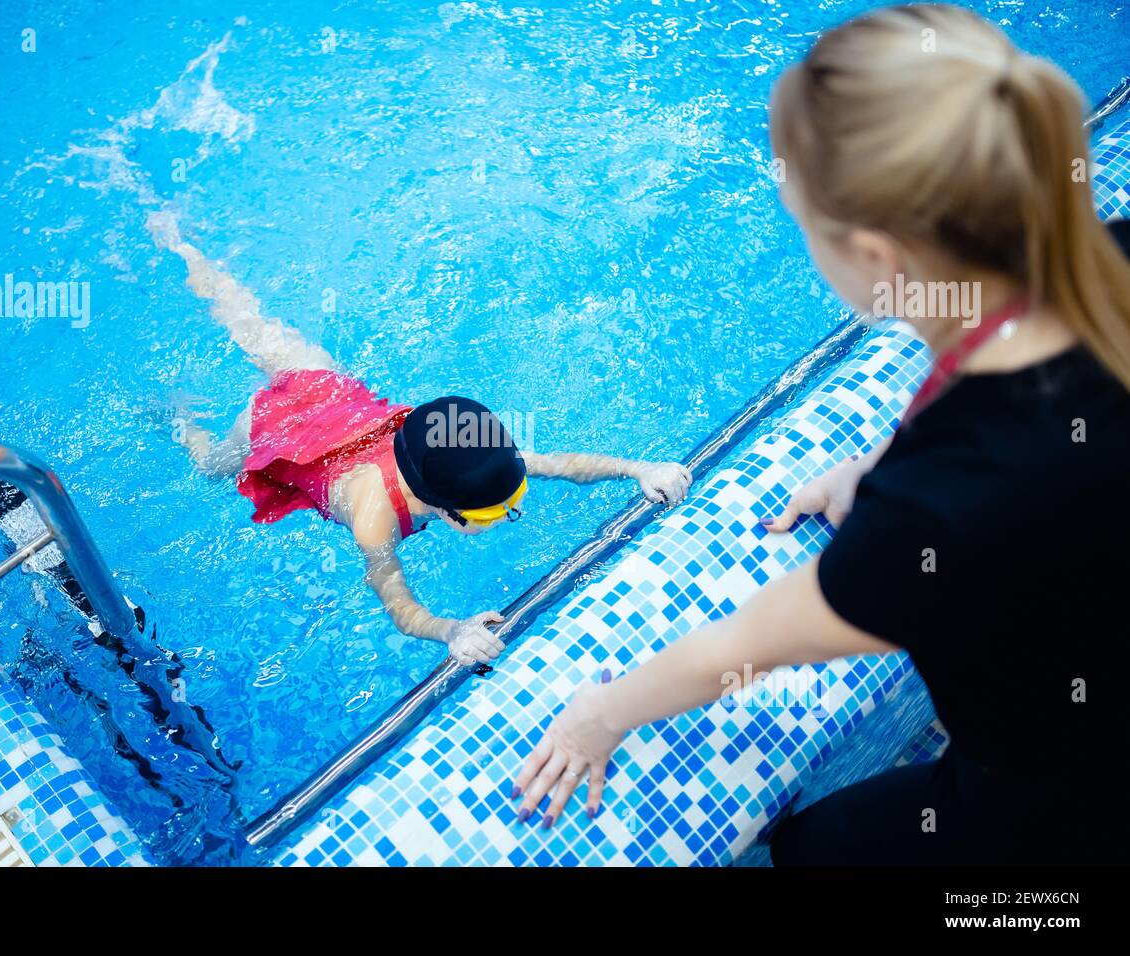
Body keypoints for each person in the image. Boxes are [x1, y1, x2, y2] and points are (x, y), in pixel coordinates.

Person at [512, 4, 1130, 864]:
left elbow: (748, 645)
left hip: (1061, 809)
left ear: (876, 260)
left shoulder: (940, 513)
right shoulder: (1109, 261)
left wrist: (598, 713)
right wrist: (881, 464)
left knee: (818, 852)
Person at [157, 214, 694, 667]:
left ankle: (180, 242)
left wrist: (639, 468)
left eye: (511, 502)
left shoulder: (467, 463)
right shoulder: (374, 518)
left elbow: (563, 463)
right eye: (491, 514)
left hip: (323, 388)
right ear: (447, 508)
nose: (507, 516)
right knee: (211, 467)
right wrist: (451, 631)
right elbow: (395, 601)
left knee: (245, 314)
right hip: (274, 426)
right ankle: (177, 414)